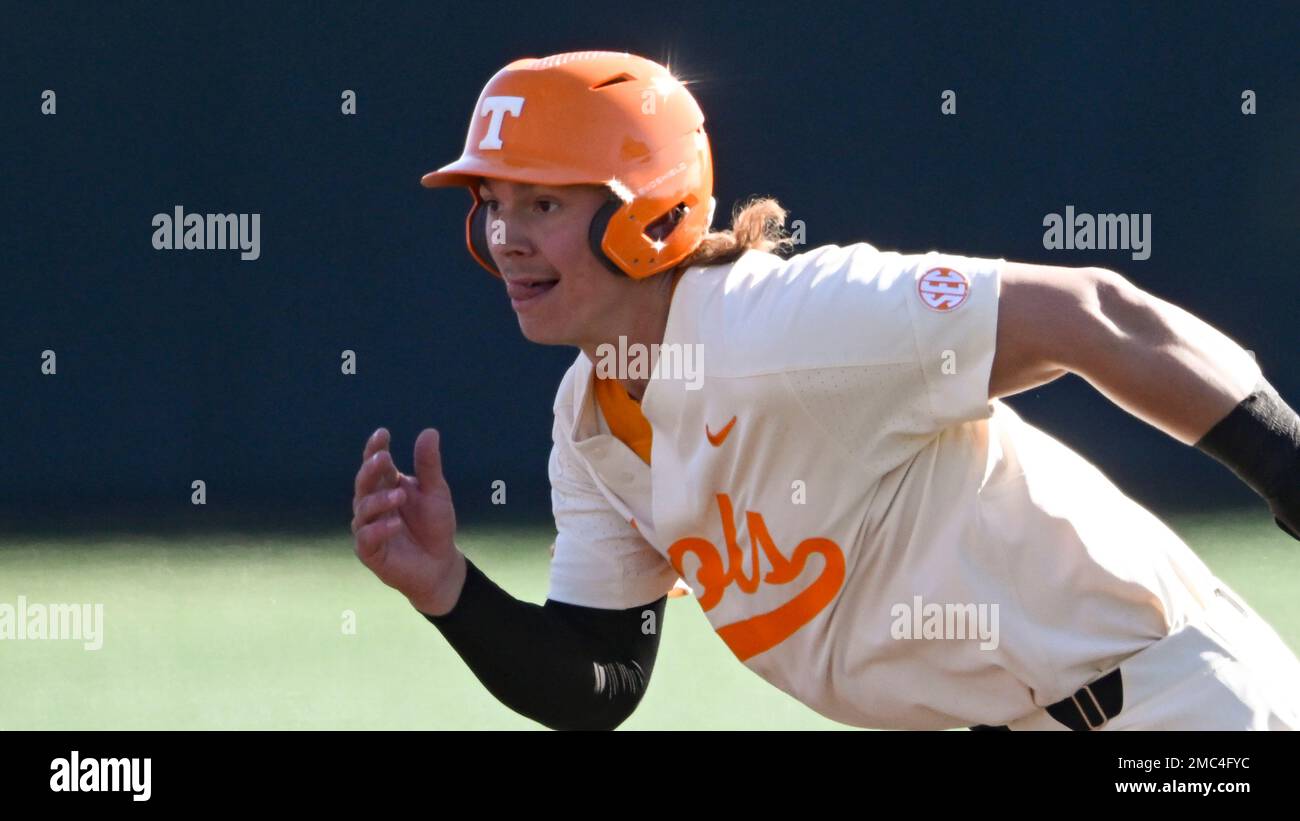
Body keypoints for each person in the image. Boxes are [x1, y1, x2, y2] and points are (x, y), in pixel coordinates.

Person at [350, 51, 1300, 730]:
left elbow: (1097, 310)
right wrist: (449, 591)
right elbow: (598, 679)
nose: (506, 236)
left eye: (543, 203)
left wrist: (1288, 465)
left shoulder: (789, 319)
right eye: (493, 205)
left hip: (1179, 713)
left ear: (652, 210)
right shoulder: (590, 421)